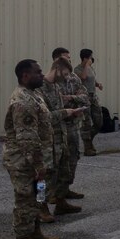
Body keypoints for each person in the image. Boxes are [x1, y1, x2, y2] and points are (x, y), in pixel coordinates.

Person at [4, 59, 60, 239]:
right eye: (38, 72)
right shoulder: (23, 101)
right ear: (25, 76)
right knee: (26, 201)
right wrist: (38, 165)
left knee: (38, 197)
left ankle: (35, 235)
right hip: (24, 162)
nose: (42, 75)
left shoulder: (34, 94)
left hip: (37, 160)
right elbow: (27, 138)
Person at [39, 58, 85, 220]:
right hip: (47, 142)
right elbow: (44, 118)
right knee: (43, 178)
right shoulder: (40, 88)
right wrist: (67, 112)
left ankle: (60, 202)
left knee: (64, 172)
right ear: (56, 69)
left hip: (62, 137)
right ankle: (41, 206)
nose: (66, 78)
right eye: (64, 74)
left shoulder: (56, 86)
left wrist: (73, 112)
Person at [52, 47, 89, 200]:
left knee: (72, 157)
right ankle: (52, 193)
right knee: (55, 162)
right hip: (57, 128)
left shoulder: (73, 78)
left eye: (69, 57)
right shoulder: (49, 81)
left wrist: (70, 98)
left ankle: (64, 188)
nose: (68, 60)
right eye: (65, 58)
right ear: (56, 60)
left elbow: (85, 96)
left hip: (72, 125)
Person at [74, 48, 103, 156]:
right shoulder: (78, 69)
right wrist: (86, 65)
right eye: (90, 57)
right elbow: (83, 77)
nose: (92, 59)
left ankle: (89, 139)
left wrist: (97, 84)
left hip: (93, 96)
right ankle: (88, 148)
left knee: (99, 122)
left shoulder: (90, 68)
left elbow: (91, 79)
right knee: (86, 123)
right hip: (84, 97)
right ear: (85, 58)